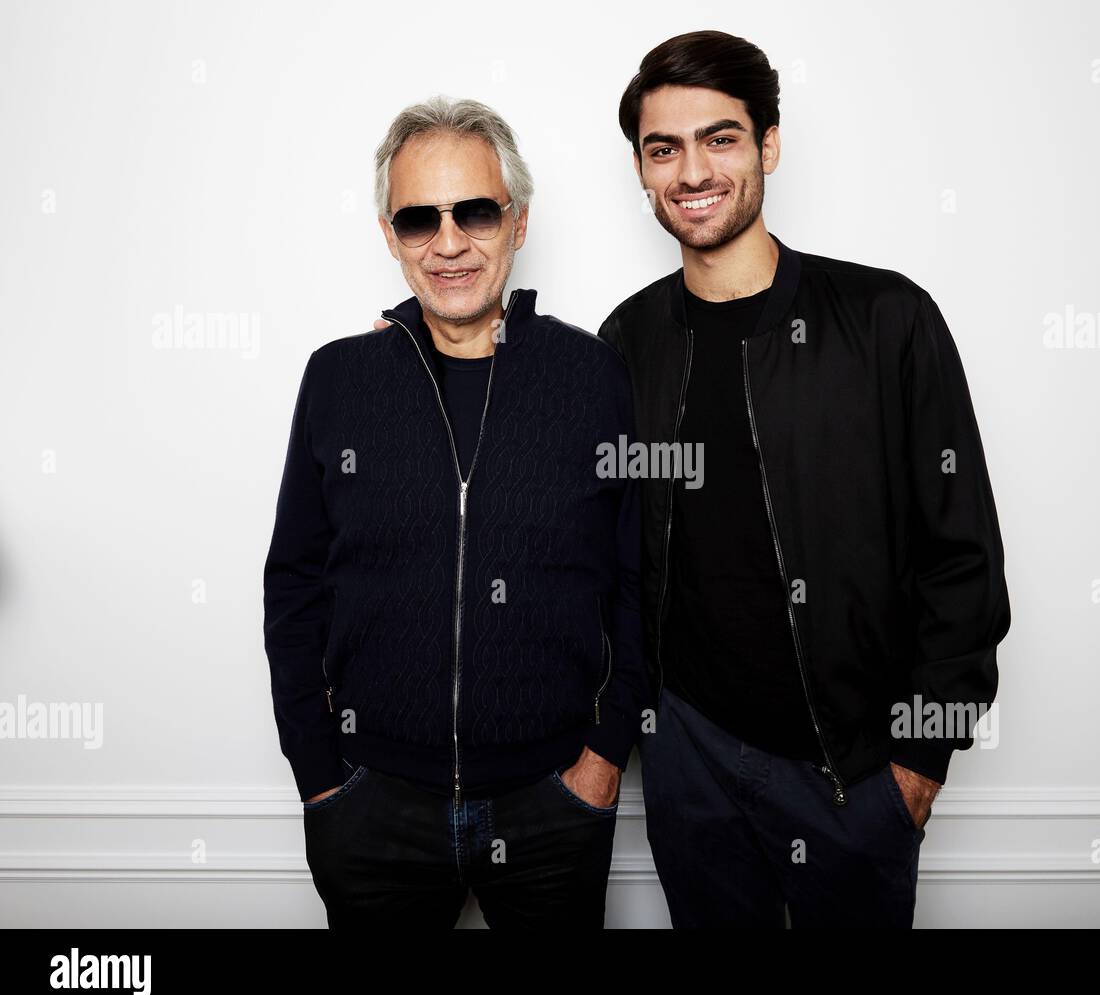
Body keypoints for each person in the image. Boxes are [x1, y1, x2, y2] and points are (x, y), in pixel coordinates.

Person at [597, 31, 1012, 928]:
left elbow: (963, 557)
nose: (692, 170)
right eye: (663, 149)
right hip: (687, 761)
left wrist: (919, 762)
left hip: (854, 773)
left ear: (768, 146)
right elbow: (588, 536)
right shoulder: (628, 341)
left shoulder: (886, 319)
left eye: (722, 138)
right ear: (640, 170)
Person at [263, 96, 647, 929]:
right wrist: (320, 779)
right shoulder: (339, 379)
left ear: (517, 221)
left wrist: (604, 759)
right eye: (417, 219)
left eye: (474, 211)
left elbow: (638, 580)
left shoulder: (592, 378)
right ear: (388, 234)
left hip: (554, 801)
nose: (448, 243)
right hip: (371, 803)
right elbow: (293, 585)